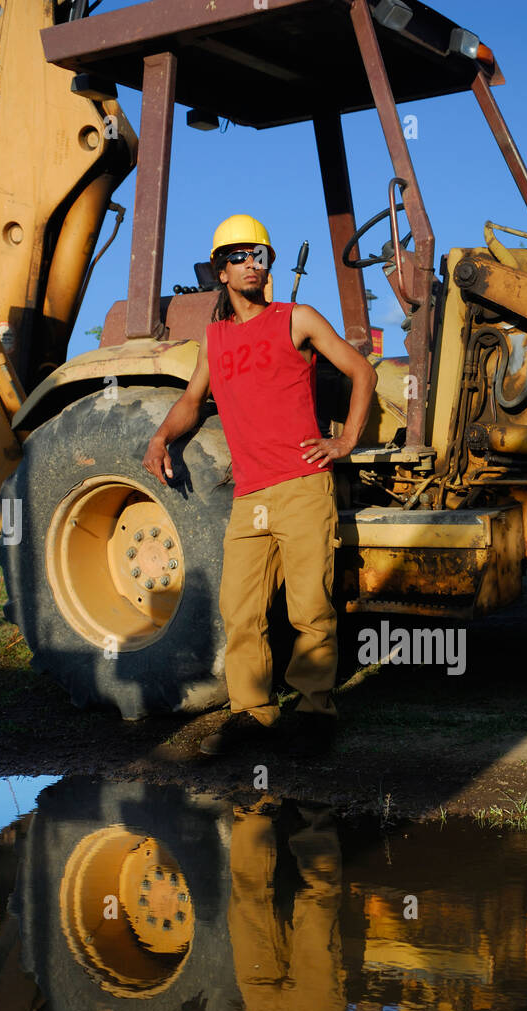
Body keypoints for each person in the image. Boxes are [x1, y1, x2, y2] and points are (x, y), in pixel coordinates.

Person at [141, 214, 377, 756]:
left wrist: (344, 443)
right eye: (242, 256)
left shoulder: (297, 320)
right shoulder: (216, 339)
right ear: (221, 270)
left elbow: (361, 372)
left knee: (309, 608)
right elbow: (190, 401)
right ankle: (253, 713)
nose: (253, 264)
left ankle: (317, 713)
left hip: (302, 486)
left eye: (261, 256)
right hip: (250, 496)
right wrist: (159, 439)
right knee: (239, 609)